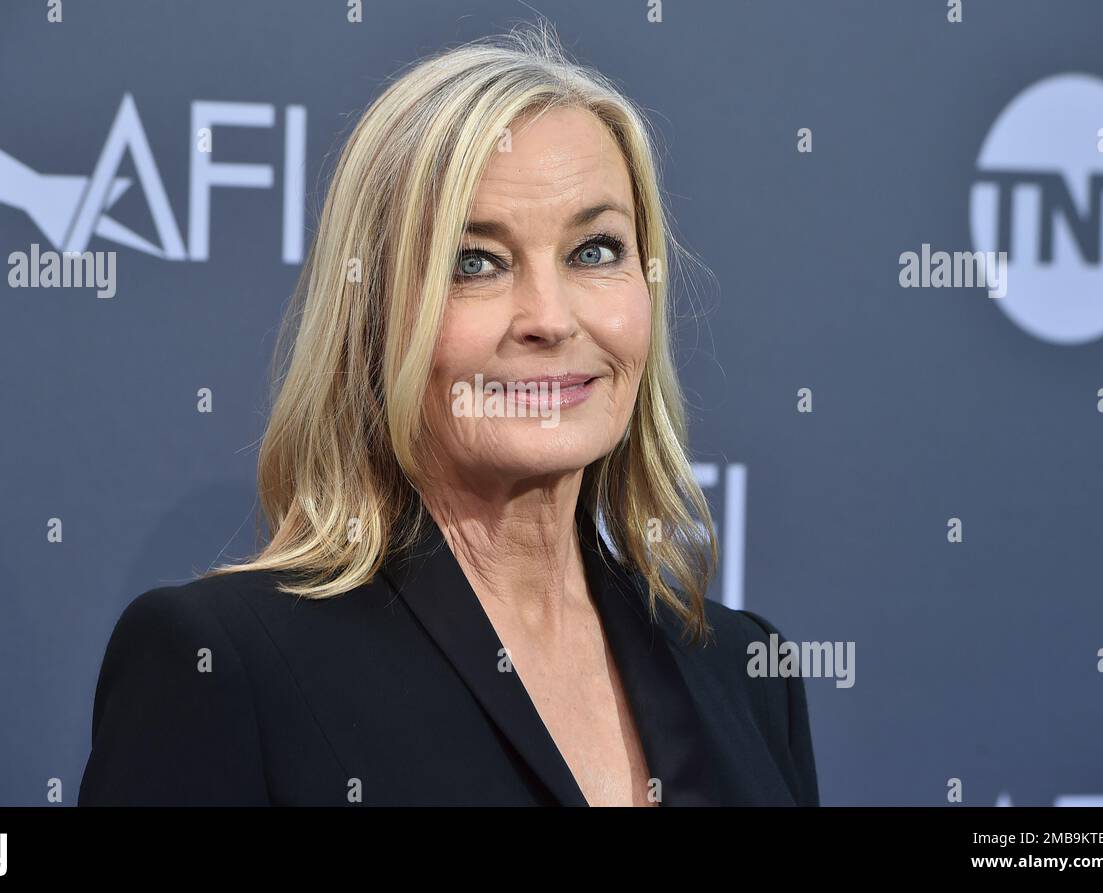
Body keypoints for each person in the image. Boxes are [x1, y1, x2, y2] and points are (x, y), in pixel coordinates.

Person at [78, 23, 818, 808]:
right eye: (475, 263)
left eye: (595, 251)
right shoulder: (224, 666)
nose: (550, 318)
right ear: (373, 321)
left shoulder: (744, 672)